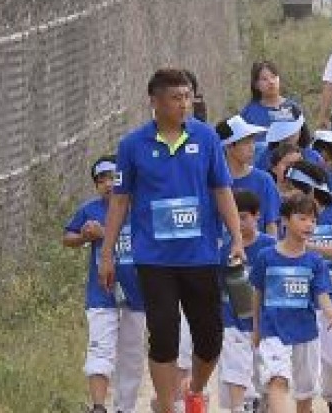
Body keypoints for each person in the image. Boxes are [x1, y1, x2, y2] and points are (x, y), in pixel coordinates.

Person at [101, 69, 244, 413]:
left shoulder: (207, 139)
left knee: (210, 337)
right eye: (176, 98)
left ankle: (193, 390)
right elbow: (120, 202)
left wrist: (237, 238)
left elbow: (222, 190)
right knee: (163, 335)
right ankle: (166, 406)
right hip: (155, 258)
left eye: (188, 97)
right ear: (155, 101)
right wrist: (106, 254)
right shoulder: (132, 145)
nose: (184, 104)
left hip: (201, 256)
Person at [64, 156, 147, 413]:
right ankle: (98, 406)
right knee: (100, 348)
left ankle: (125, 407)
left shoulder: (141, 209)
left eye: (112, 177)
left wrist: (105, 234)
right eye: (101, 180)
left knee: (131, 356)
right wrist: (83, 237)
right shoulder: (91, 210)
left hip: (137, 294)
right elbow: (67, 236)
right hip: (102, 293)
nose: (108, 184)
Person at [250, 193, 332, 413]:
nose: (309, 224)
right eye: (302, 218)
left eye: (313, 220)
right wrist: (256, 327)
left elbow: (322, 293)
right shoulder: (265, 257)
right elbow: (257, 293)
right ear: (285, 220)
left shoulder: (315, 261)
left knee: (305, 394)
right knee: (277, 379)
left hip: (305, 333)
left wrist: (330, 311)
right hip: (273, 331)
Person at [286, 161, 332, 413]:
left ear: (310, 190)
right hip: (301, 302)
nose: (288, 193)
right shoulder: (288, 218)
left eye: (293, 188)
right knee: (304, 366)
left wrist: (311, 249)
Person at [218, 191, 279, 413]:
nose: (239, 223)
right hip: (232, 321)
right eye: (233, 217)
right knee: (235, 369)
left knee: (264, 377)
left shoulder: (271, 247)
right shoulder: (223, 250)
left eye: (244, 217)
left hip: (264, 324)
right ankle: (238, 408)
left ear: (257, 216)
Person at [219, 115, 283, 235]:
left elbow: (271, 224)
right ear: (229, 146)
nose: (252, 148)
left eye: (253, 142)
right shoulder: (216, 181)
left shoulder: (264, 180)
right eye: (246, 143)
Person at [240, 61, 304, 136]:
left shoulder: (292, 108)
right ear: (256, 85)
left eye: (273, 77)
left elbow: (304, 141)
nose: (271, 82)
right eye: (264, 79)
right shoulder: (248, 112)